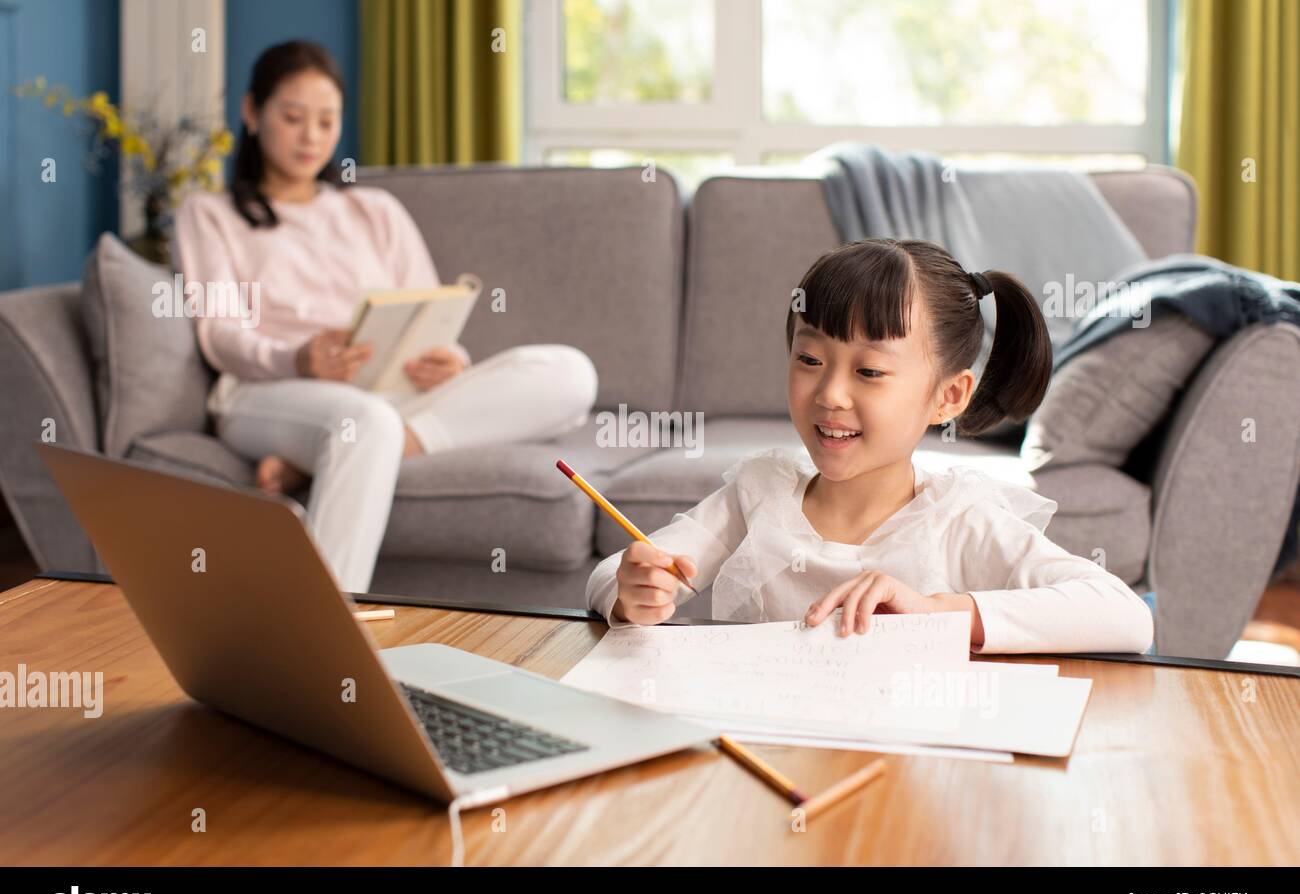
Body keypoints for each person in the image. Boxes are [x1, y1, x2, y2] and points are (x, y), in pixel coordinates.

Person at [587, 238, 1153, 654]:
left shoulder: (959, 519)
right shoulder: (759, 492)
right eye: (810, 359)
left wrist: (940, 612)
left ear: (948, 397)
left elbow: (1125, 616)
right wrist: (629, 592)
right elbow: (615, 572)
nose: (830, 394)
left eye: (870, 371)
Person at [173, 41, 598, 592]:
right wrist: (297, 357)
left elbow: (429, 310)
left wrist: (451, 359)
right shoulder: (209, 215)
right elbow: (218, 334)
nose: (311, 137)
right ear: (252, 112)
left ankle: (316, 464)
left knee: (569, 372)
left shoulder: (374, 210)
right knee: (362, 424)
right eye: (293, 117)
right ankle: (321, 628)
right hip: (269, 389)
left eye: (326, 121)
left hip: (390, 391)